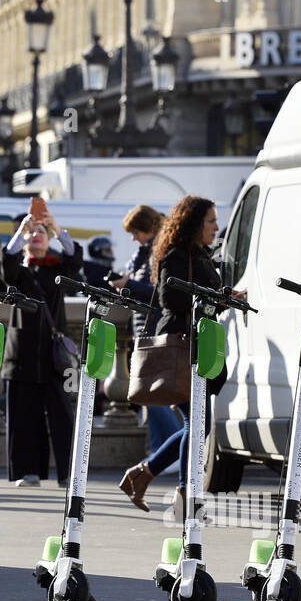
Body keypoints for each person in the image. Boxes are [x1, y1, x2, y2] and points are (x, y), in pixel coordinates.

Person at [117, 195, 228, 514]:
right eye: (211, 221)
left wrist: (222, 297)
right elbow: (169, 297)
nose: (216, 227)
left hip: (201, 347)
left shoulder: (201, 254)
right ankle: (183, 494)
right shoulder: (176, 254)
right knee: (198, 422)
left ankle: (144, 475)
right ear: (194, 223)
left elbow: (204, 293)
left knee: (197, 423)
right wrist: (206, 297)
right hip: (181, 348)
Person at [0, 208, 83, 486]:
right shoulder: (19, 272)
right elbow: (5, 268)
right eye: (31, 232)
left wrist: (56, 228)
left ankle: (68, 473)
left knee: (62, 416)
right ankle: (28, 471)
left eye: (40, 232)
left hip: (52, 354)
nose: (35, 235)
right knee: (23, 416)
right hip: (21, 351)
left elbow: (74, 258)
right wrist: (20, 234)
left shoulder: (57, 268)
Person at [113, 204, 183, 510]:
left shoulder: (157, 250)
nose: (133, 239)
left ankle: (152, 467)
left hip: (156, 333)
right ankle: (158, 470)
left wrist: (127, 285)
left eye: (135, 232)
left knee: (158, 400)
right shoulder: (148, 252)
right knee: (172, 408)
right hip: (148, 332)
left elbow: (155, 293)